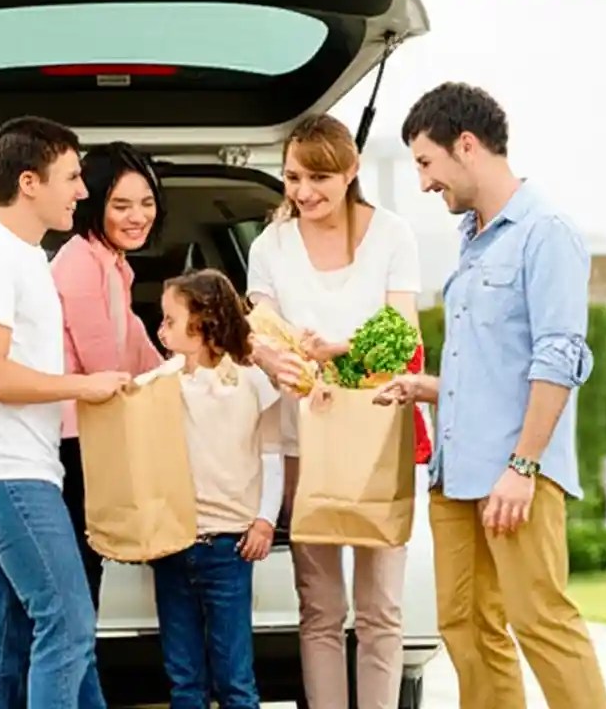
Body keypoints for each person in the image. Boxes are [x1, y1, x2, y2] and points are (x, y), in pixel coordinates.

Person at [375, 81, 606, 709]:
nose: (424, 182)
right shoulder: (474, 239)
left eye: (426, 162)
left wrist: (524, 465)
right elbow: (488, 367)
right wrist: (426, 387)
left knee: (541, 623)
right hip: (455, 475)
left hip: (513, 475)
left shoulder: (546, 233)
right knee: (467, 629)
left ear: (468, 146)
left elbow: (558, 358)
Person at [0, 116, 129, 709]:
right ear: (29, 182)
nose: (81, 190)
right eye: (71, 177)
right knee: (68, 624)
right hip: (4, 470)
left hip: (4, 465)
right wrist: (83, 387)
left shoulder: (22, 257)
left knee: (1, 634)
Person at [246, 114, 423, 709]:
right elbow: (259, 333)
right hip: (304, 441)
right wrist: (276, 358)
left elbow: (403, 332)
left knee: (381, 610)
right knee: (319, 608)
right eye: (293, 177)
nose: (303, 192)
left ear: (351, 173)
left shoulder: (392, 235)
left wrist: (336, 351)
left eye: (318, 178)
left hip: (376, 435)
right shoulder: (270, 245)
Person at [150, 268, 284, 709]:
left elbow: (270, 455)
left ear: (204, 321)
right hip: (173, 544)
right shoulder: (161, 383)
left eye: (170, 320)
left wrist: (265, 521)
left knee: (234, 679)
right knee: (183, 678)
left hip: (230, 547)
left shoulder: (252, 381)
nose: (161, 329)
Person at [50, 141, 167, 609]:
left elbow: (138, 348)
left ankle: (84, 680)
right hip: (73, 441)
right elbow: (104, 365)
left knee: (87, 569)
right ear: (93, 203)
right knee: (80, 574)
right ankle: (77, 680)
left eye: (146, 203)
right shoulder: (79, 262)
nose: (137, 216)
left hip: (94, 437)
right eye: (121, 205)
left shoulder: (114, 265)